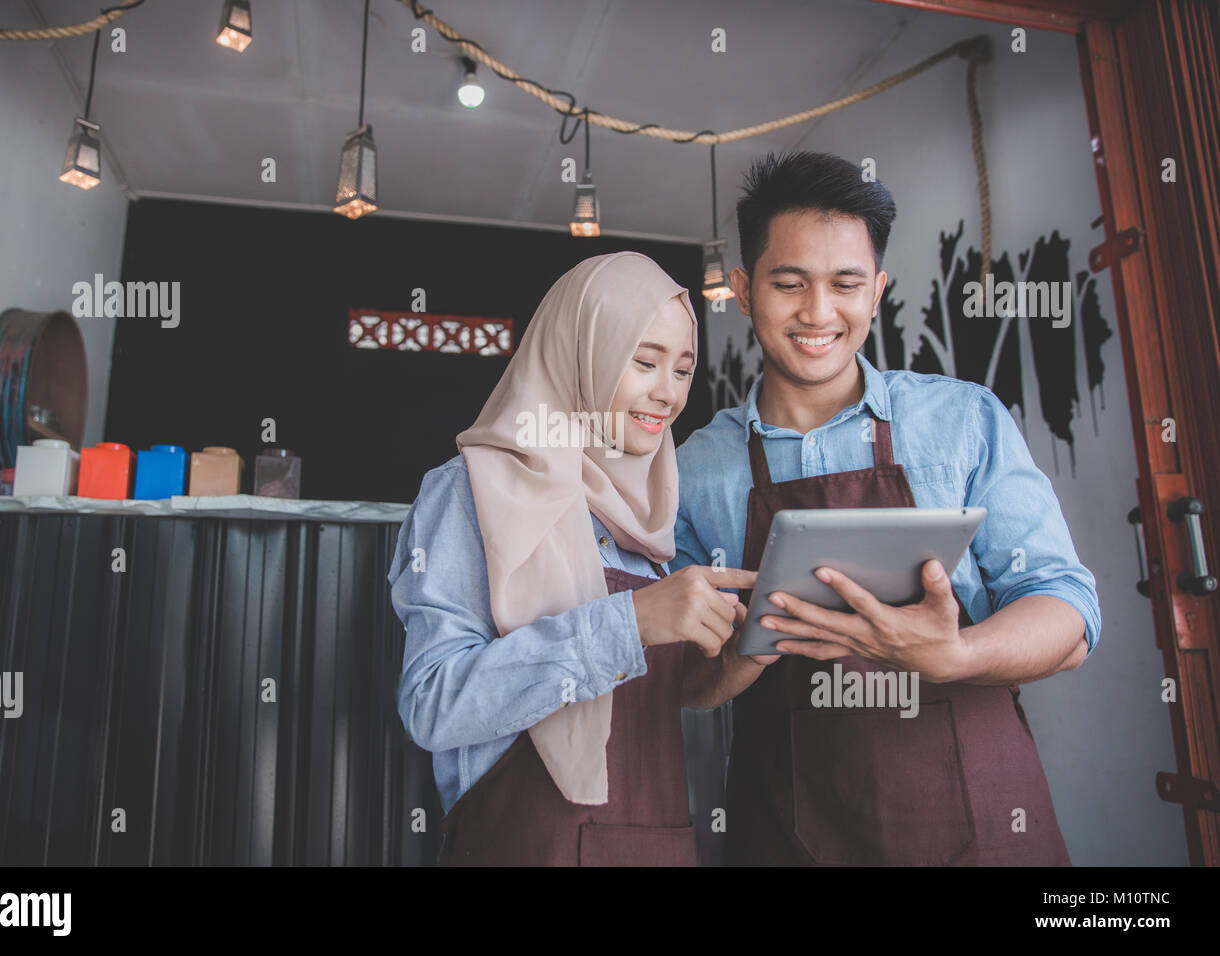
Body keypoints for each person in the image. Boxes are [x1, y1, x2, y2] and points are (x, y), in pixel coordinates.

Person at [674, 151, 1101, 866]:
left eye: (845, 285)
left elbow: (1069, 613)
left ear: (877, 292)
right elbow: (685, 685)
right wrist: (746, 651)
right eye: (789, 284)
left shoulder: (964, 420)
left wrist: (955, 655)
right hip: (784, 828)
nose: (818, 313)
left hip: (977, 821)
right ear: (745, 291)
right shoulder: (695, 468)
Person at [389, 251, 757, 866]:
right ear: (579, 352)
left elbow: (668, 693)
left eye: (684, 369)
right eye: (643, 362)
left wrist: (757, 643)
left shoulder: (653, 513)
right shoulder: (471, 489)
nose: (667, 394)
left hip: (656, 844)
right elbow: (432, 704)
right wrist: (628, 621)